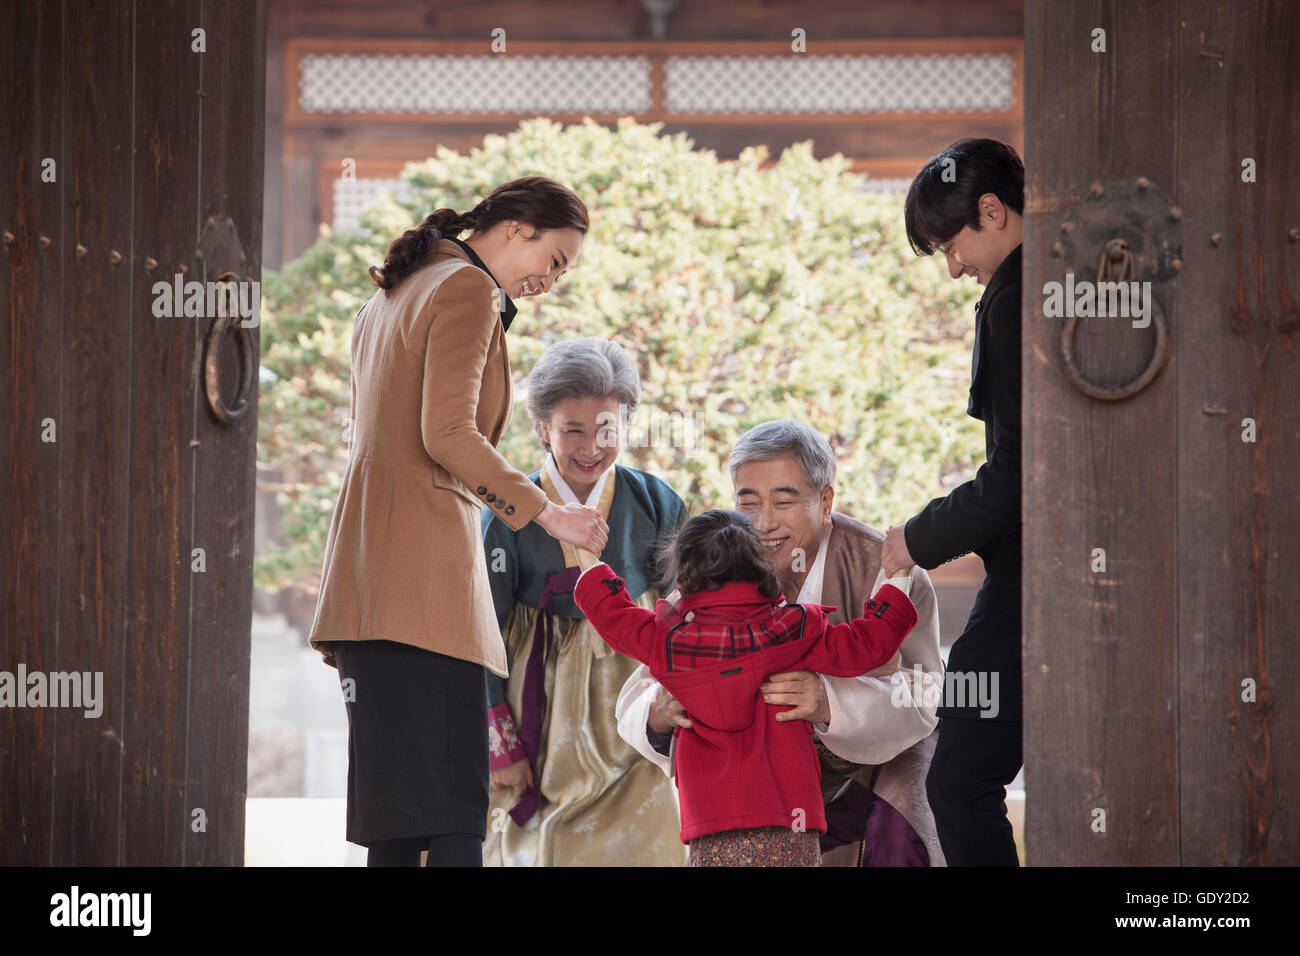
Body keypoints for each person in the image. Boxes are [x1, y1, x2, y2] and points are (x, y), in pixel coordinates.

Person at [307, 176, 609, 867]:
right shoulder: (469, 289)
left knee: (395, 822)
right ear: (514, 230)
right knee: (452, 815)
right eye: (555, 261)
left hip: (363, 586)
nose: (551, 282)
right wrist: (548, 514)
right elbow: (447, 434)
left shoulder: (393, 291)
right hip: (426, 590)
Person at [617, 419, 946, 865]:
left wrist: (830, 700)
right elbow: (649, 679)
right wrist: (656, 715)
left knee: (900, 839)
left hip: (878, 765)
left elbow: (924, 691)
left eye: (784, 501)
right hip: (758, 777)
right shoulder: (718, 563)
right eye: (748, 503)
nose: (764, 523)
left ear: (826, 499)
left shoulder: (887, 569)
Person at [573, 509, 918, 866]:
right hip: (791, 823)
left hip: (710, 826)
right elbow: (869, 644)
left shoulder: (669, 643)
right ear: (765, 570)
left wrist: (585, 553)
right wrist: (900, 575)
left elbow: (612, 615)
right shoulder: (793, 631)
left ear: (683, 579)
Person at [480, 337, 688, 866]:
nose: (590, 447)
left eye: (606, 430)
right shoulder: (508, 510)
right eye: (573, 430)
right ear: (542, 429)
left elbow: (688, 612)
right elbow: (480, 632)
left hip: (636, 707)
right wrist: (499, 744)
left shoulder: (657, 503)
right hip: (541, 715)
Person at [880, 138, 1025, 866]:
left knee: (961, 772)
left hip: (1035, 573)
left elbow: (1015, 477)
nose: (954, 267)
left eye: (951, 245)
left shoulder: (1013, 298)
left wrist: (915, 536)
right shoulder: (1040, 284)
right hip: (1040, 566)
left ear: (992, 211)